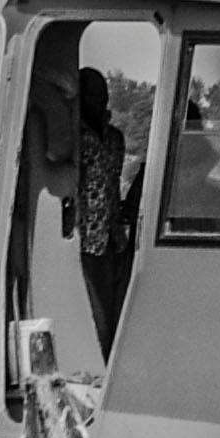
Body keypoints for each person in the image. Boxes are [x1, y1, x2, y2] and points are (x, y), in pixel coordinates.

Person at [71, 70, 134, 347]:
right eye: (92, 95)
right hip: (82, 239)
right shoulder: (74, 139)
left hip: (110, 239)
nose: (99, 101)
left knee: (112, 312)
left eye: (102, 95)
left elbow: (114, 184)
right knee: (93, 315)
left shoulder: (114, 140)